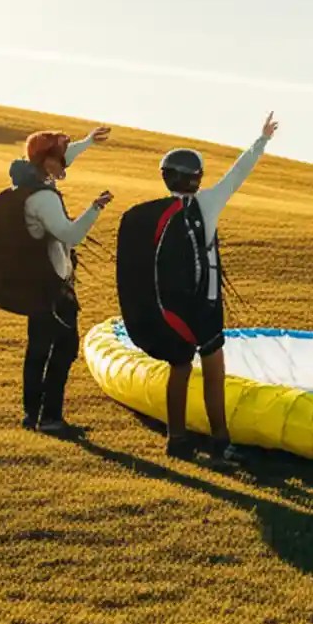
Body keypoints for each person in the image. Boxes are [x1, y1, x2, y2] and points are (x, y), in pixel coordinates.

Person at [117, 112, 276, 462]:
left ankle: (177, 440)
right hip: (205, 305)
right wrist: (261, 140)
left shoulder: (155, 212)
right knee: (213, 370)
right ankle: (221, 442)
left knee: (180, 368)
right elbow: (238, 174)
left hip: (173, 308)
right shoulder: (207, 203)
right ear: (197, 178)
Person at [10, 127, 114, 436]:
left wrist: (88, 142)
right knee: (64, 347)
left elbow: (63, 158)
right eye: (58, 159)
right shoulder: (43, 198)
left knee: (39, 349)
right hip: (53, 286)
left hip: (37, 284)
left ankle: (33, 415)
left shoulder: (30, 186)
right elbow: (71, 235)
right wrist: (96, 208)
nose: (64, 165)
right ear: (46, 162)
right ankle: (50, 417)